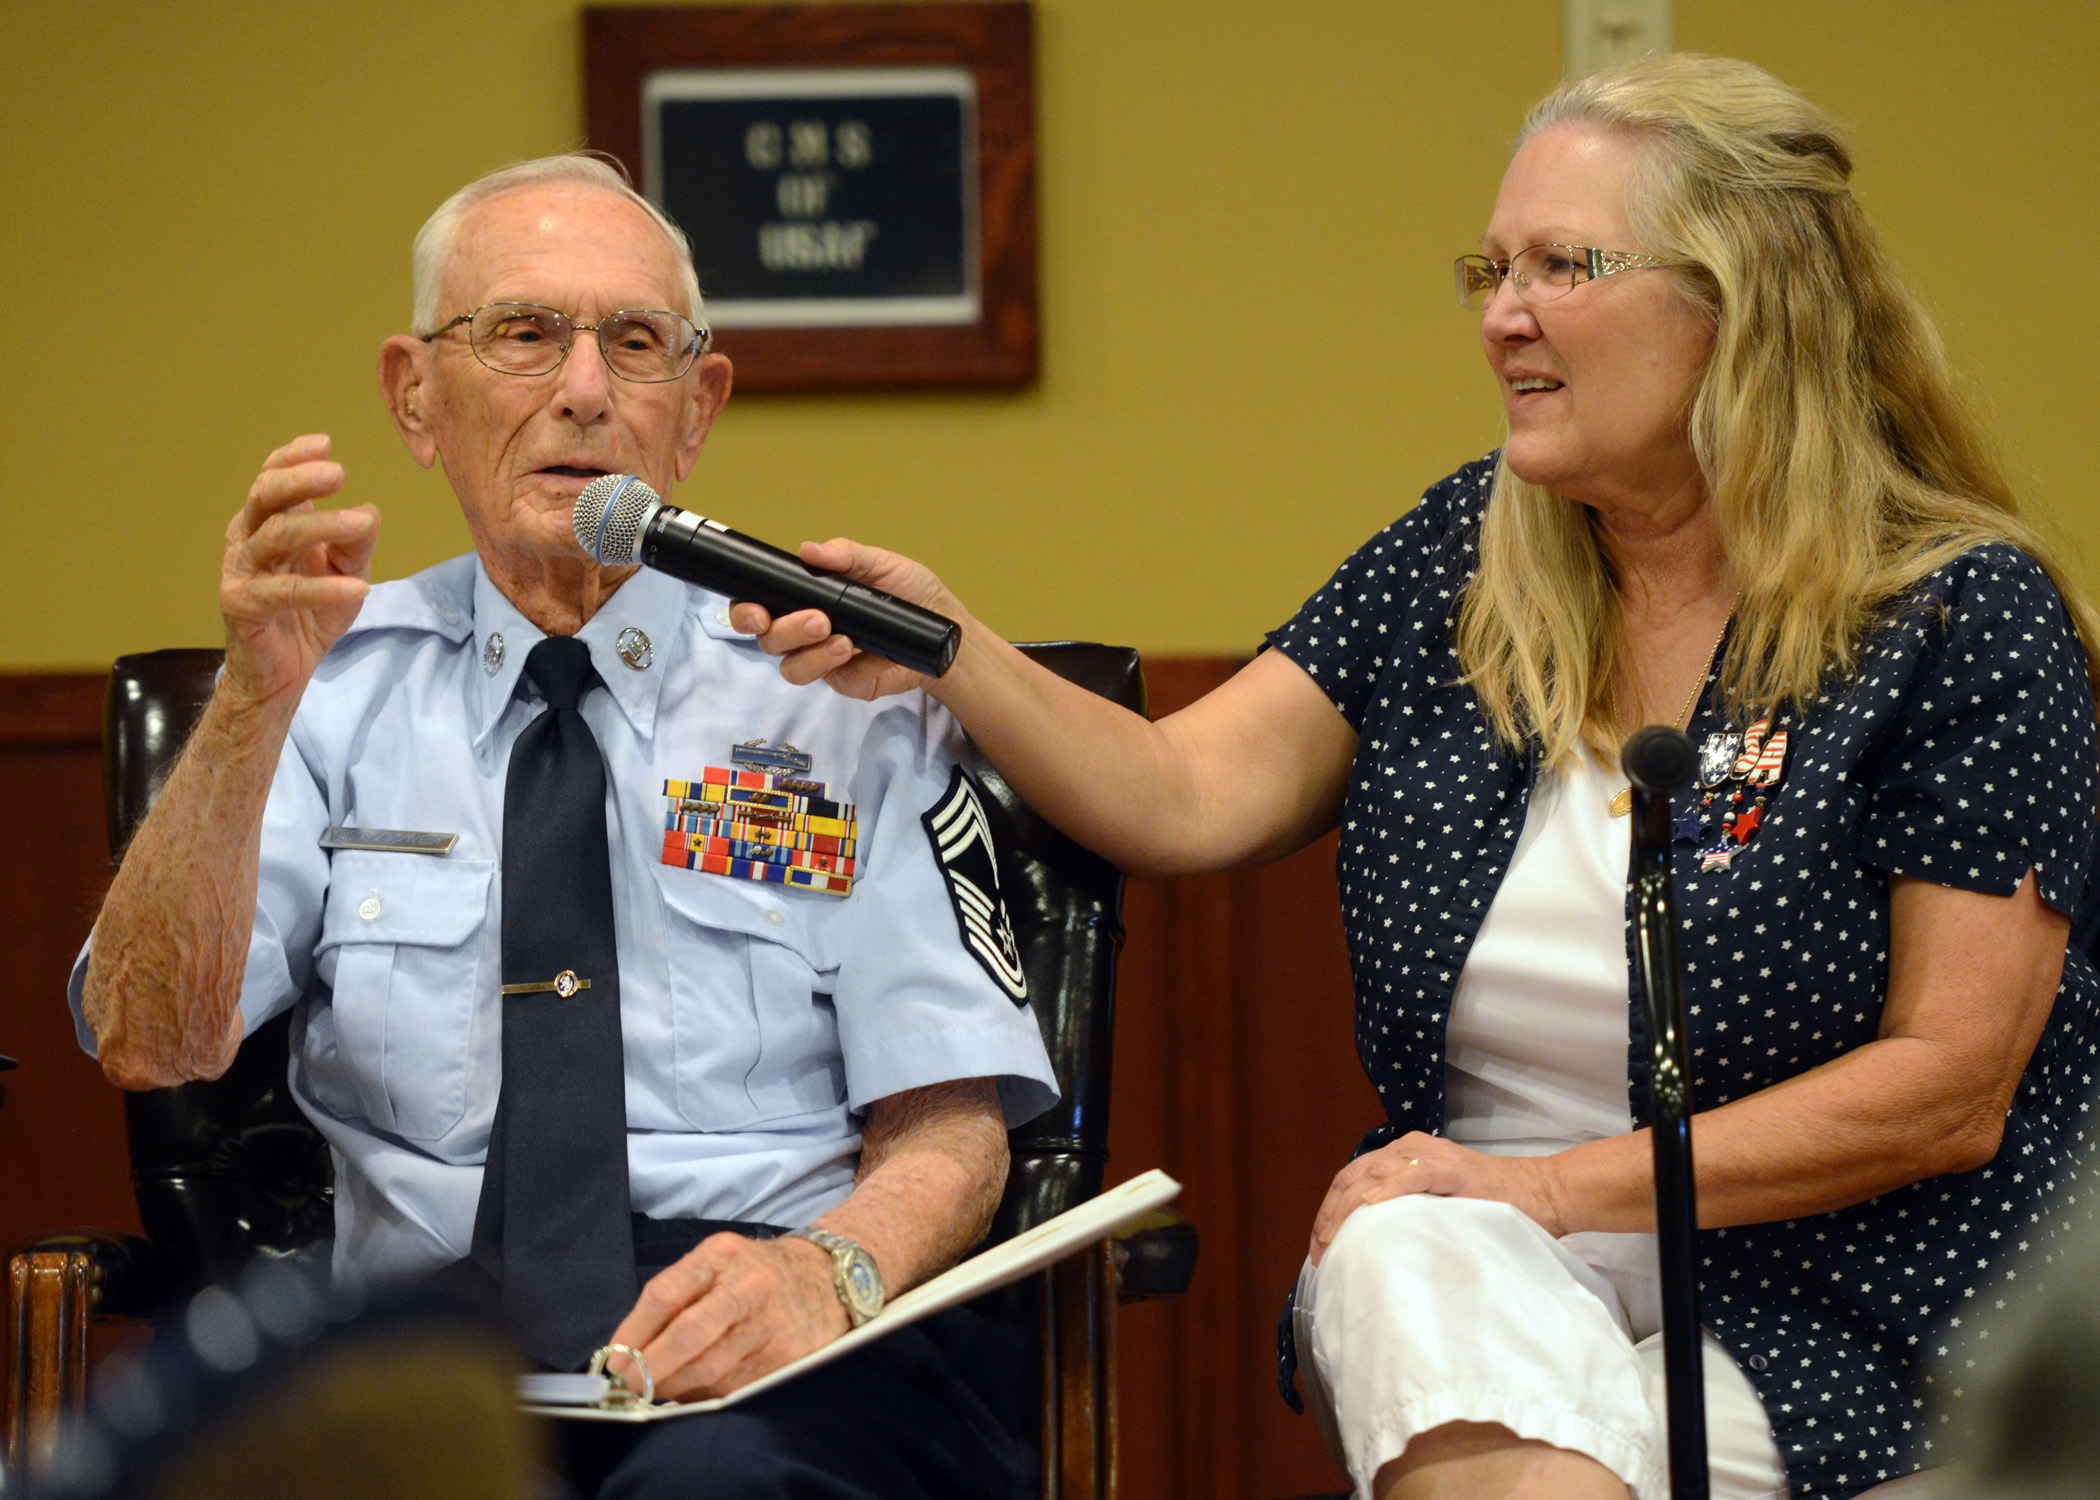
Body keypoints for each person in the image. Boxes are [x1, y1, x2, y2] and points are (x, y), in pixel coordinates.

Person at [742, 53, 2100, 1500]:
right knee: (1390, 1243)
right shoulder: (1466, 557)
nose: (1502, 316)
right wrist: (952, 647)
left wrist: (1550, 1187)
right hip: (1473, 1255)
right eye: (1490, 268)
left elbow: (1950, 1087)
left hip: (1839, 1293)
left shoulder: (1958, 615)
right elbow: (1181, 792)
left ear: (1740, 301)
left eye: (1562, 265)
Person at [67, 152, 1058, 1500]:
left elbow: (951, 1130)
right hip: (420, 1351)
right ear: (415, 398)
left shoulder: (837, 697)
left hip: (762, 1331)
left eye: (636, 344)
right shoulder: (321, 692)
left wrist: (821, 1274)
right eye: (524, 334)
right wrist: (250, 701)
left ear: (695, 410)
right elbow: (150, 1036)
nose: (584, 389)